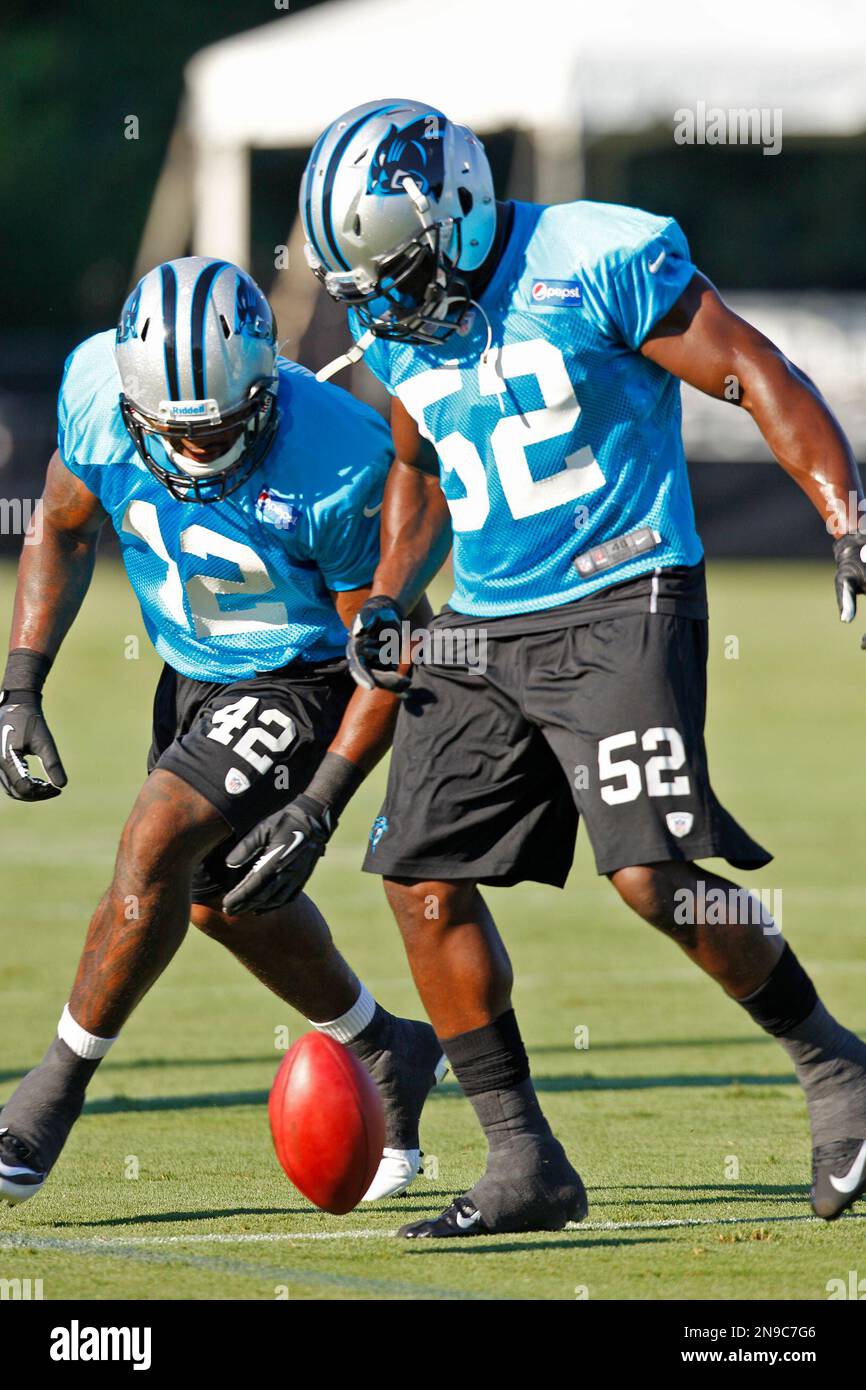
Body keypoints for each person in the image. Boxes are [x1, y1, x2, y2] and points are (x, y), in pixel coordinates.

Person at [238, 99, 866, 1239]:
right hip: (484, 618)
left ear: (462, 211)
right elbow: (417, 467)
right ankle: (523, 1158)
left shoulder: (595, 256)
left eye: (395, 270)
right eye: (361, 282)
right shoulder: (397, 313)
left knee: (650, 877)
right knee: (417, 875)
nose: (380, 302)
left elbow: (752, 371)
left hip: (625, 591)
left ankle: (832, 1064)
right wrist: (386, 588)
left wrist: (843, 509)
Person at [0, 256, 444, 1210]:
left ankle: (48, 1101)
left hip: (315, 669)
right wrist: (20, 684)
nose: (196, 456)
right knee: (215, 898)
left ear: (266, 386)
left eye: (218, 429)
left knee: (155, 834)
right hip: (195, 671)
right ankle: (388, 1047)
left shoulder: (339, 456)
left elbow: (389, 645)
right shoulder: (92, 390)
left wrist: (322, 801)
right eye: (175, 432)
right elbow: (64, 527)